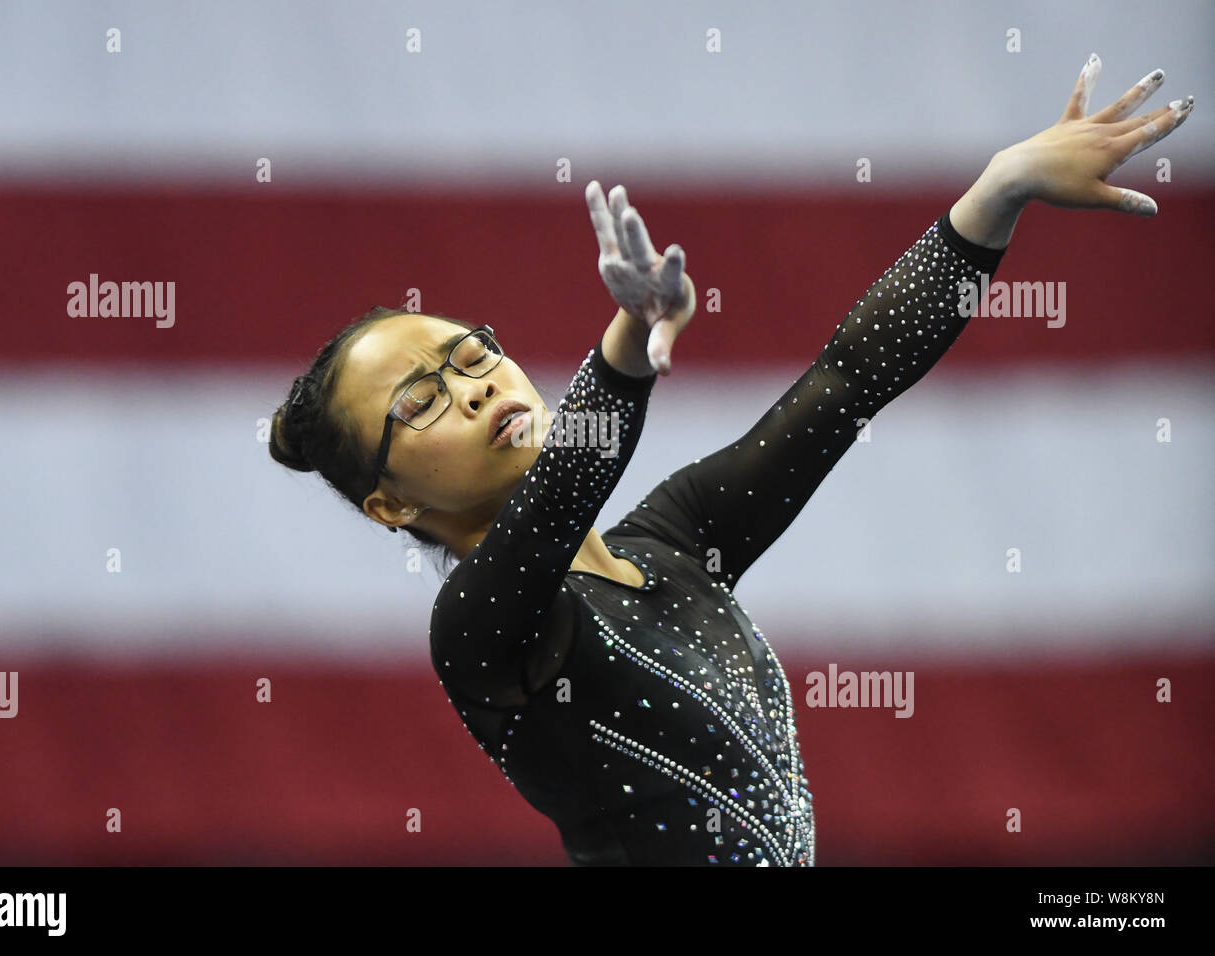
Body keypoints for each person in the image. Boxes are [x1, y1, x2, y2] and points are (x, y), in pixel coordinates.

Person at [268, 55, 1193, 865]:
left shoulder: (677, 540)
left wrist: (995, 194)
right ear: (387, 503)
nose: (472, 390)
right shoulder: (479, 631)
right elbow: (560, 496)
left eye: (473, 357)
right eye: (420, 405)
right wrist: (629, 341)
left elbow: (849, 379)